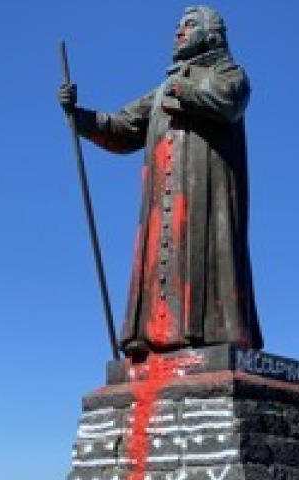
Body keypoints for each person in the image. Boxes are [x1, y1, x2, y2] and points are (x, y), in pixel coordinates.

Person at [59, 6, 263, 360]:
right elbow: (121, 126)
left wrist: (181, 89)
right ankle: (153, 336)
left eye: (188, 25)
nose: (179, 32)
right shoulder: (161, 91)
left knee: (210, 256)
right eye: (177, 26)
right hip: (162, 200)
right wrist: (79, 117)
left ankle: (216, 335)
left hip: (206, 194)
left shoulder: (225, 71)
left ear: (209, 33)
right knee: (160, 256)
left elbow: (230, 101)